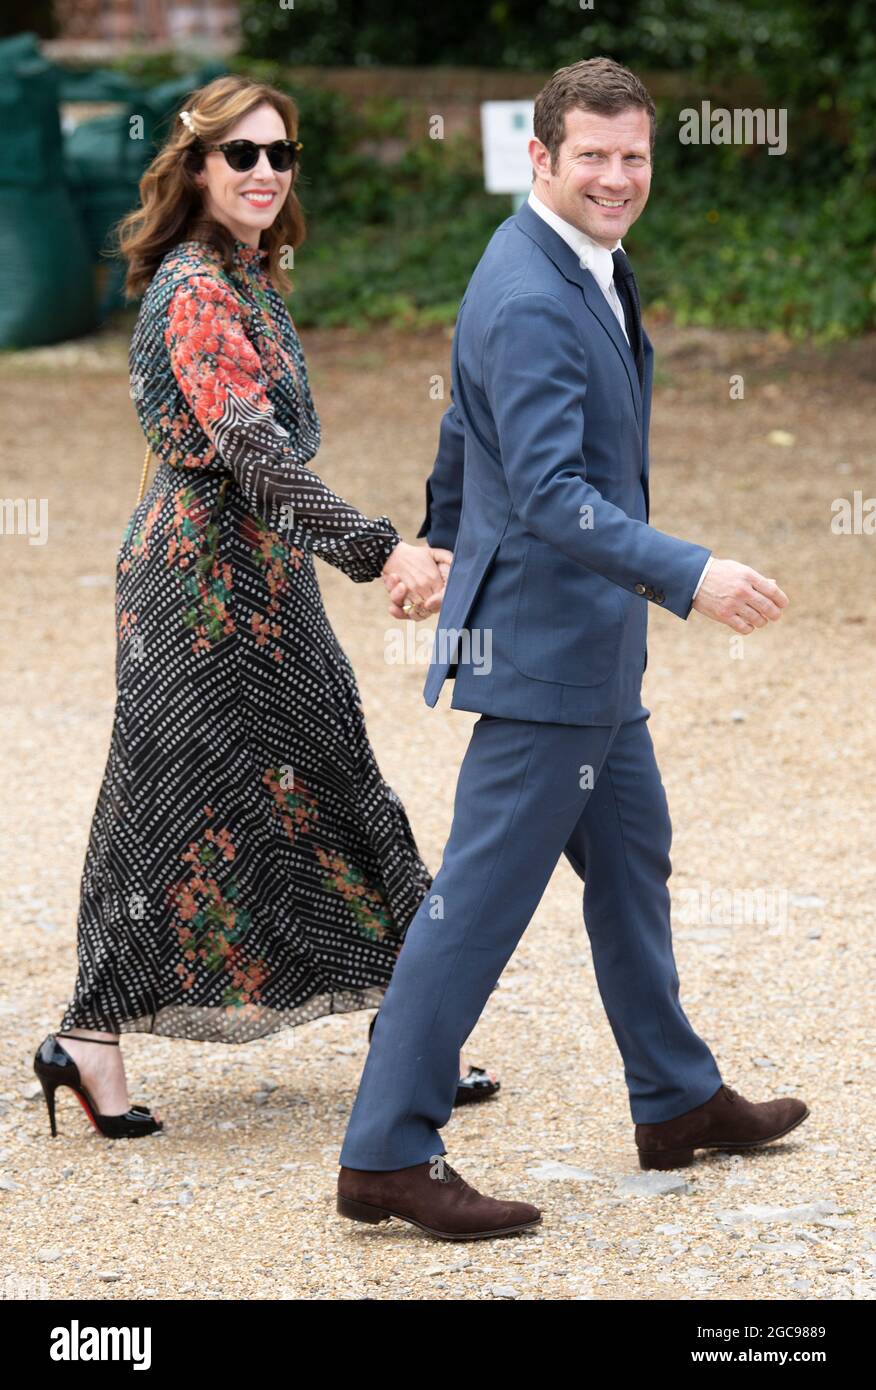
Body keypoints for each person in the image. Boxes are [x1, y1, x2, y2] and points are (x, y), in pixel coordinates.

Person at [336, 57, 809, 1242]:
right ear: (540, 158)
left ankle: (677, 1097)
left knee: (633, 863)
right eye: (591, 156)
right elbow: (551, 490)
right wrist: (690, 571)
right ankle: (386, 1152)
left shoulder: (563, 257)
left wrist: (441, 533)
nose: (616, 177)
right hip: (553, 657)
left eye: (633, 156)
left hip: (590, 654)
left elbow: (463, 413)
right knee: (477, 904)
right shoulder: (538, 290)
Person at [33, 74, 500, 1141]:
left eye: (279, 155)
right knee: (173, 800)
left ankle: (405, 1021)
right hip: (199, 584)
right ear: (196, 166)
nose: (261, 173)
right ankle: (94, 1036)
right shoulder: (195, 288)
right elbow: (249, 450)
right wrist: (380, 550)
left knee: (325, 777)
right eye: (238, 154)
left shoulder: (249, 278)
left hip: (258, 574)